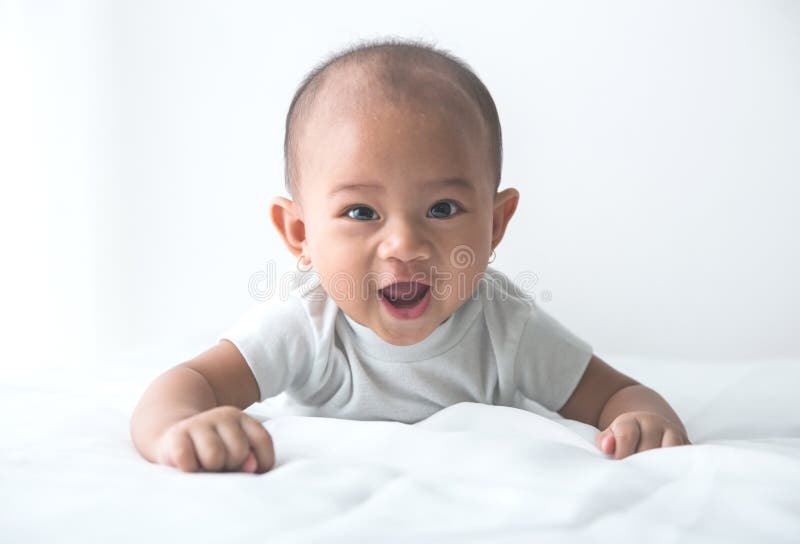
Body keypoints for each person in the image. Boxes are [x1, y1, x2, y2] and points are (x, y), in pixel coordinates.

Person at [130, 38, 690, 474]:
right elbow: (187, 385)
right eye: (361, 212)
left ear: (494, 224)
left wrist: (644, 421)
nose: (404, 245)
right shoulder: (307, 323)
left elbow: (618, 394)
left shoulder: (504, 325)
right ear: (299, 232)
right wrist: (177, 427)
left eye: (442, 208)